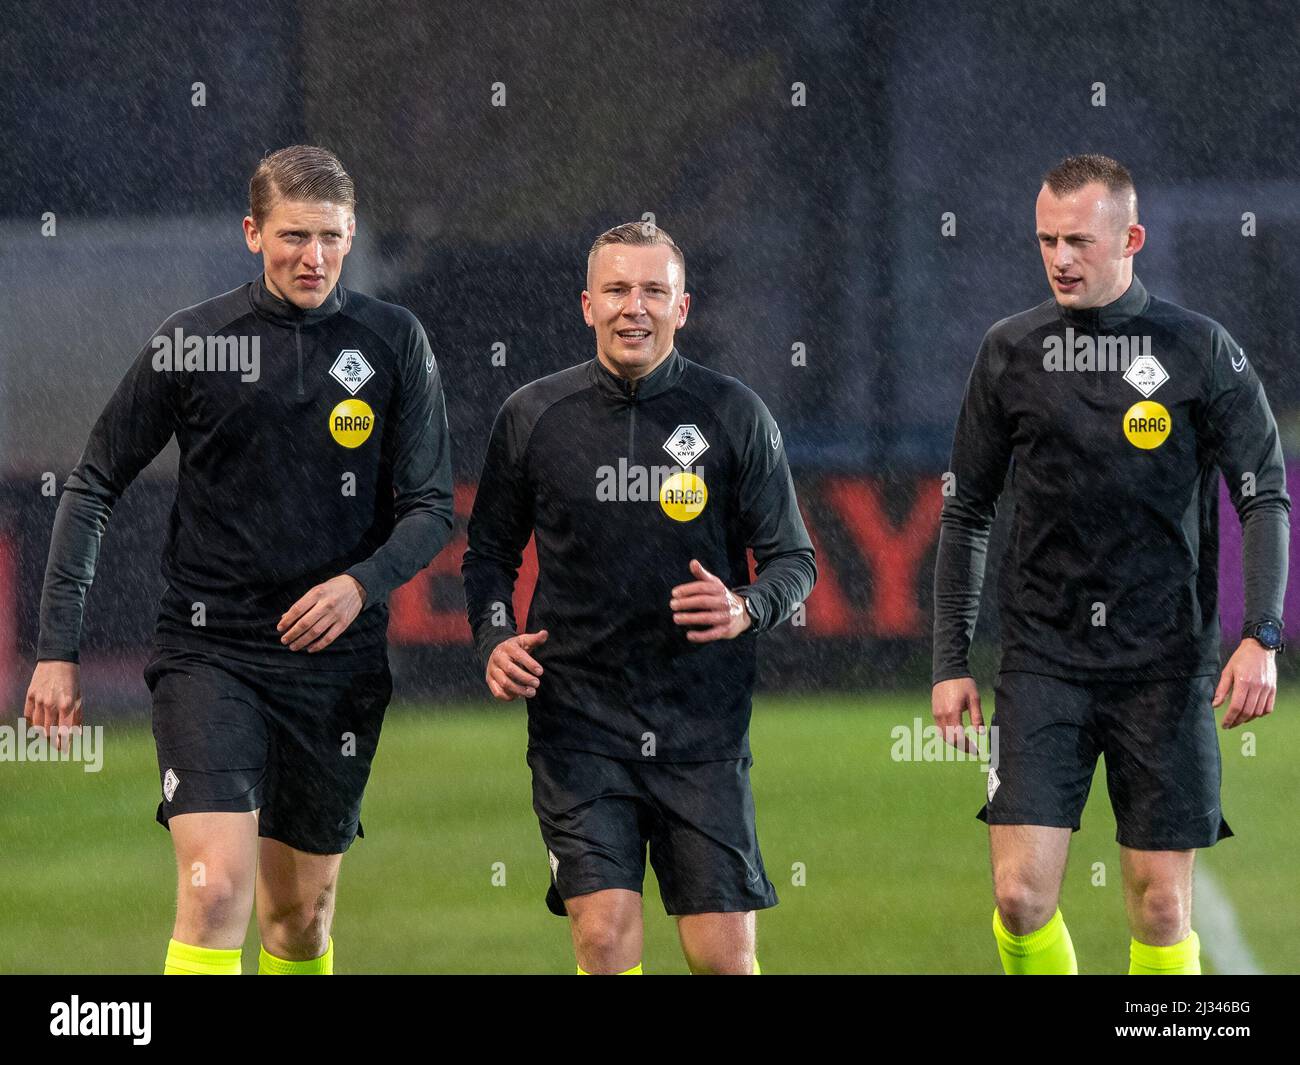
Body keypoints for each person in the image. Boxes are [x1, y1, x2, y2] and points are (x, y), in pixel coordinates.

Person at [25, 145, 454, 975]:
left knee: (299, 919)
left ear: (352, 232)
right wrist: (56, 650)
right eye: (294, 235)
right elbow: (93, 482)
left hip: (336, 666)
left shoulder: (394, 342)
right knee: (217, 886)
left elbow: (431, 508)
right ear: (252, 231)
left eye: (332, 237)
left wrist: (361, 585)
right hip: (209, 652)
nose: (314, 257)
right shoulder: (193, 341)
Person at [932, 153, 1289, 975]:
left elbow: (1263, 494)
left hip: (1164, 665)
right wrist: (952, 659)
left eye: (1079, 241)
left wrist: (1261, 632)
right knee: (1020, 898)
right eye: (1047, 240)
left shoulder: (1199, 351)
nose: (1060, 258)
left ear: (1131, 237)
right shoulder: (1008, 352)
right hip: (1044, 661)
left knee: (1161, 905)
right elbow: (967, 509)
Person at [463, 221, 816, 974]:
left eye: (654, 290)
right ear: (587, 304)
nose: (636, 307)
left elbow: (794, 560)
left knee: (721, 957)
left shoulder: (735, 413)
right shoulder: (532, 416)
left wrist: (745, 606)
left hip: (701, 727)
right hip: (578, 723)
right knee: (603, 940)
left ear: (682, 308)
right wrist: (493, 636)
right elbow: (488, 553)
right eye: (618, 289)